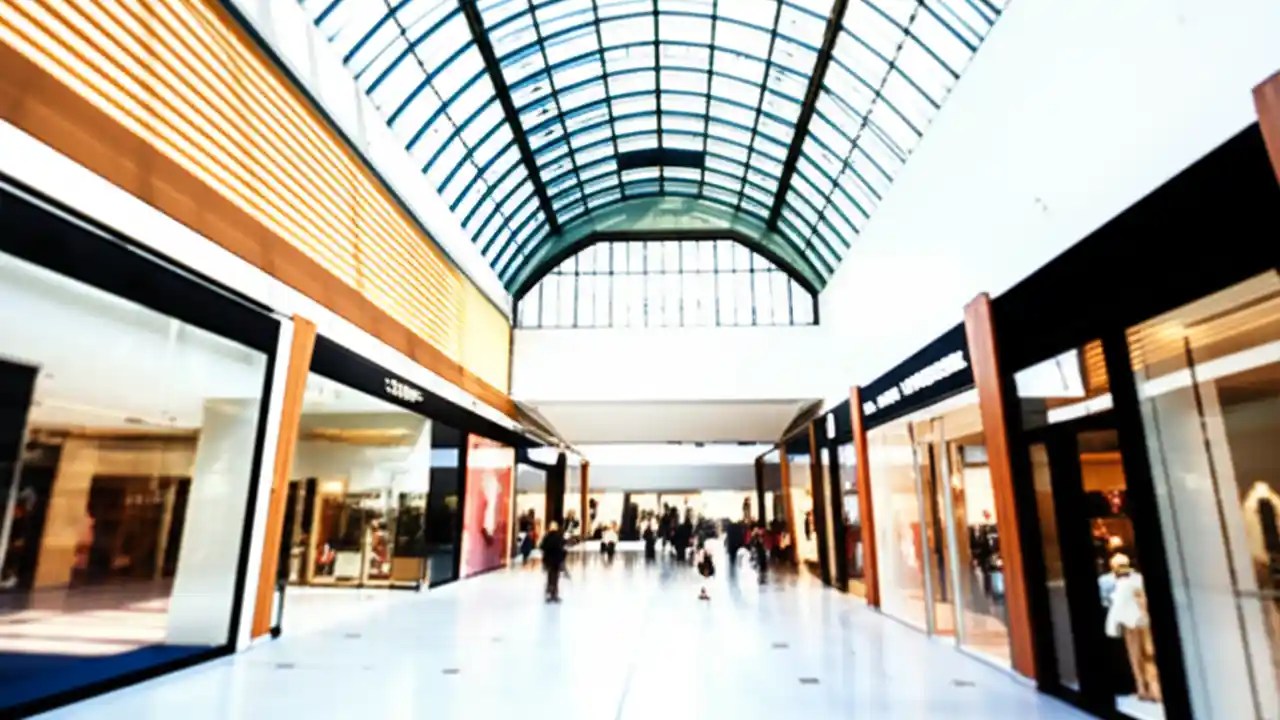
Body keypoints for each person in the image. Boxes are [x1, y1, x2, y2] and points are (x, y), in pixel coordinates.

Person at [540, 521, 566, 603]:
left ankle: (549, 594)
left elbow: (542, 547)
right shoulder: (559, 537)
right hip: (557, 561)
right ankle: (554, 595)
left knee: (550, 576)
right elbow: (562, 547)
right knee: (556, 578)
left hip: (548, 561)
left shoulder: (546, 537)